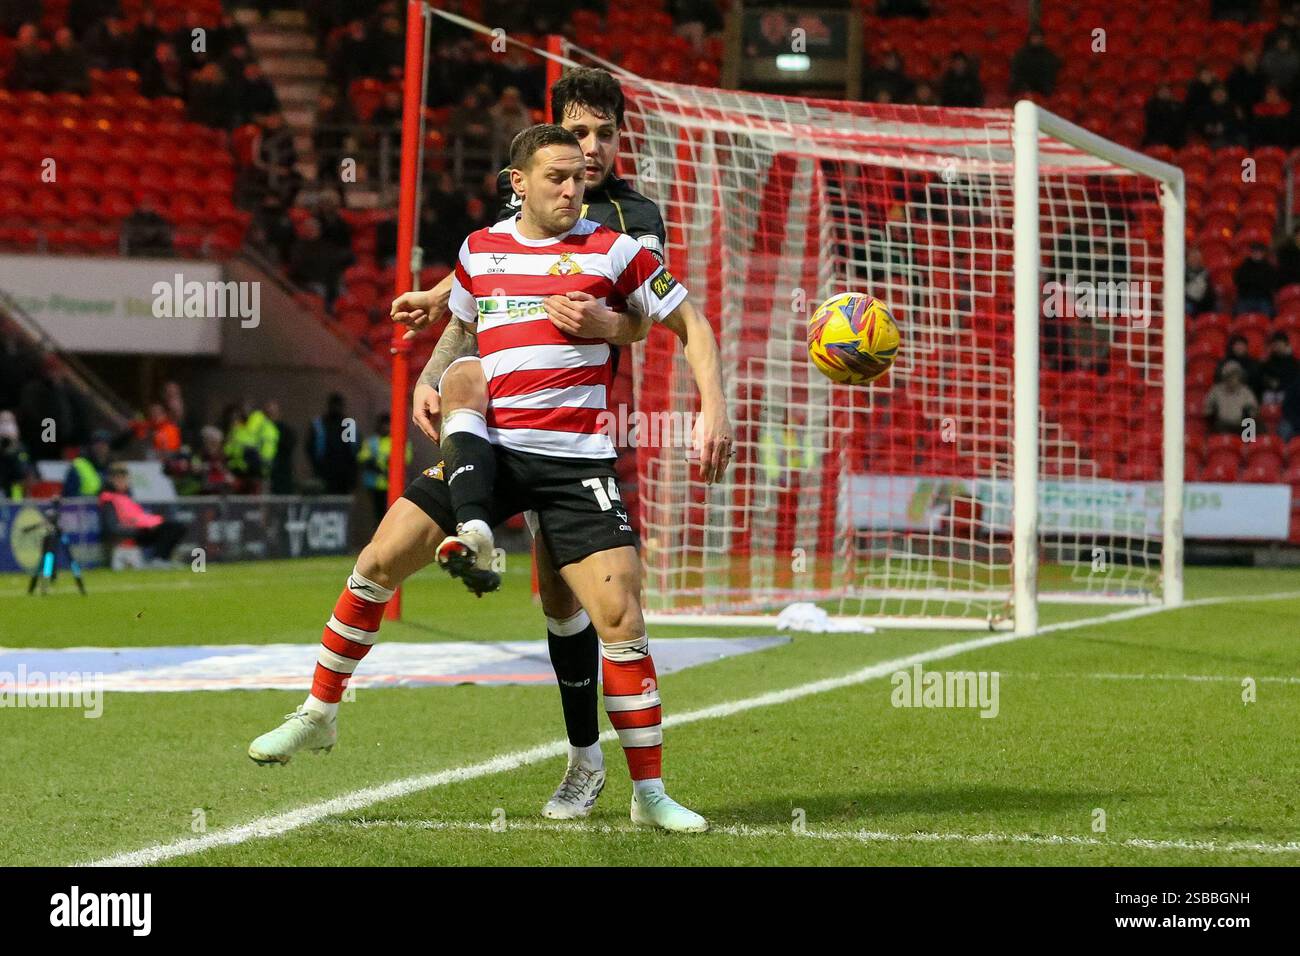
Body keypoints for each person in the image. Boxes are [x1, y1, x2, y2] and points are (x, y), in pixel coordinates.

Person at [249, 123, 730, 834]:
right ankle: (319, 713)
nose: (573, 190)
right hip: (492, 449)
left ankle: (649, 792)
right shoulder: (480, 250)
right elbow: (464, 329)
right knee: (378, 559)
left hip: (575, 460)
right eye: (557, 178)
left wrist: (713, 409)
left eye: (579, 178)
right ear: (519, 184)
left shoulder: (615, 250)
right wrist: (431, 374)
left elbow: (690, 322)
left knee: (622, 616)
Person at [390, 69, 732, 819]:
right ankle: (584, 758)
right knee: (555, 600)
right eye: (578, 135)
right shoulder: (523, 202)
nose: (591, 152)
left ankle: (621, 775)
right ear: (549, 144)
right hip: (510, 421)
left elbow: (645, 316)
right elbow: (486, 291)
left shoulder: (632, 216)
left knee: (582, 599)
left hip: (579, 423)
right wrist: (436, 350)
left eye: (605, 136)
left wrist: (610, 328)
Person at [99, 463, 187, 565]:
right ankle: (158, 559)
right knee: (170, 529)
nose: (122, 482)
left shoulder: (127, 496)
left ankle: (162, 559)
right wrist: (138, 529)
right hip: (131, 533)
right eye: (118, 479)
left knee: (176, 527)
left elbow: (138, 516)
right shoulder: (108, 499)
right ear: (111, 480)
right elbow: (113, 527)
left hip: (140, 530)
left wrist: (151, 524)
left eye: (124, 479)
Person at [357, 412, 410, 526]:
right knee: (379, 515)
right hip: (376, 485)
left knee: (394, 514)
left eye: (388, 425)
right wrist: (375, 465)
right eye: (384, 425)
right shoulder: (372, 442)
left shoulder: (400, 441)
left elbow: (406, 458)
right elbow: (363, 459)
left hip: (394, 484)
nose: (386, 428)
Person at [308, 392, 358, 494]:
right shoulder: (320, 424)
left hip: (343, 474)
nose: (336, 408)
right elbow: (310, 447)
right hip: (324, 471)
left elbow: (354, 450)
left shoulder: (348, 425)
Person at [1204, 360, 1259, 433]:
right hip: (1222, 425)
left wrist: (1250, 412)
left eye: (1235, 376)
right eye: (1229, 376)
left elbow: (1254, 411)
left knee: (1253, 427)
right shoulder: (1216, 390)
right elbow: (1207, 410)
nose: (1233, 379)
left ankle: (1250, 444)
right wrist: (1212, 411)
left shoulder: (1246, 391)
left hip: (1241, 426)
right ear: (1224, 377)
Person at [1010, 29, 1062, 96]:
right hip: (1024, 86)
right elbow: (1017, 73)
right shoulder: (1021, 54)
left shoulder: (1048, 55)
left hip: (1043, 87)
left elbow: (1051, 72)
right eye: (1034, 38)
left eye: (1039, 38)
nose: (1036, 40)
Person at [62, 429, 112, 497]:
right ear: (91, 446)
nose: (100, 447)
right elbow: (69, 496)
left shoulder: (113, 466)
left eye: (104, 444)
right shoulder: (79, 465)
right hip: (84, 506)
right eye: (97, 444)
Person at [1234, 242, 1279, 315]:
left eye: (1259, 251)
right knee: (1241, 314)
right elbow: (1238, 280)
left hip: (1263, 298)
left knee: (1266, 312)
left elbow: (1272, 283)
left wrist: (1252, 281)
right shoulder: (1244, 266)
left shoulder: (1268, 267)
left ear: (1263, 253)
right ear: (1251, 252)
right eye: (1255, 251)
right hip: (1246, 298)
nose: (1257, 253)